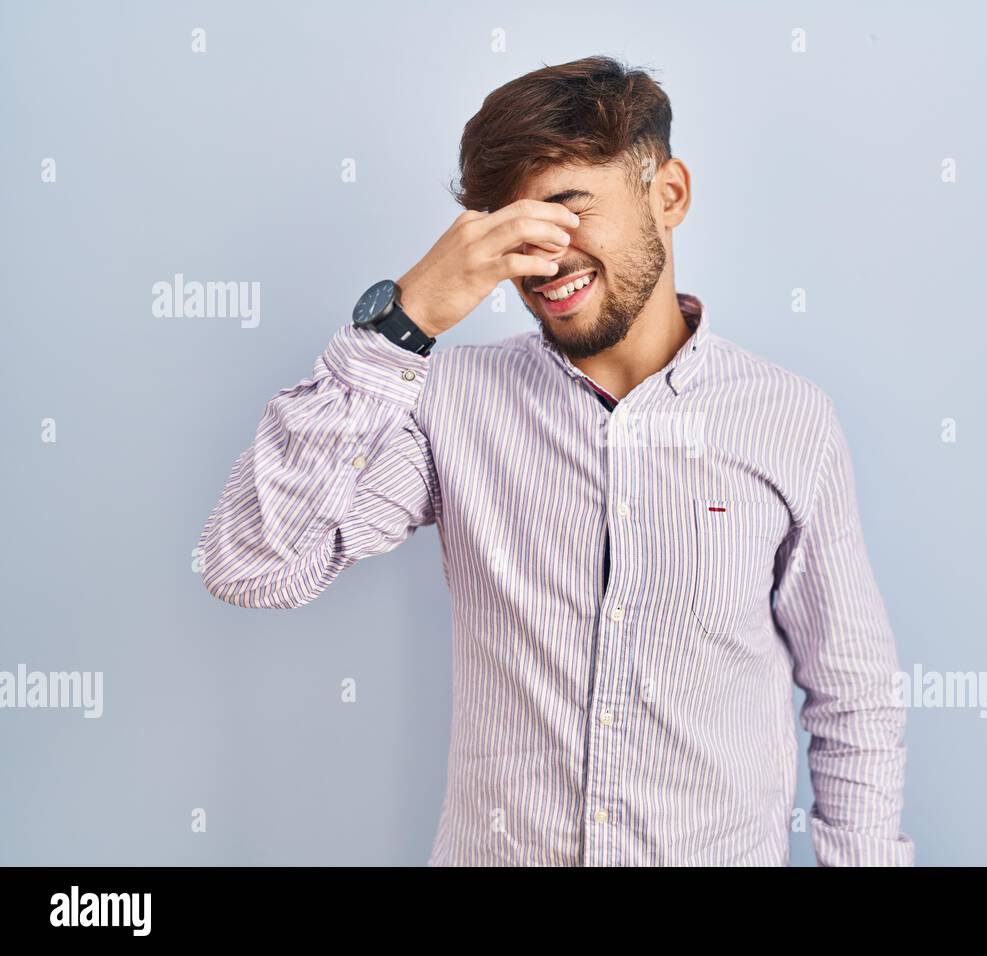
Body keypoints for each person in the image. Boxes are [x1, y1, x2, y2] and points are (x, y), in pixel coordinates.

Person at [197, 55, 914, 867]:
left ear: (668, 194)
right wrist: (402, 324)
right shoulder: (449, 403)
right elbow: (257, 566)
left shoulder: (788, 418)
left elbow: (853, 698)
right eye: (515, 229)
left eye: (571, 211)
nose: (548, 260)